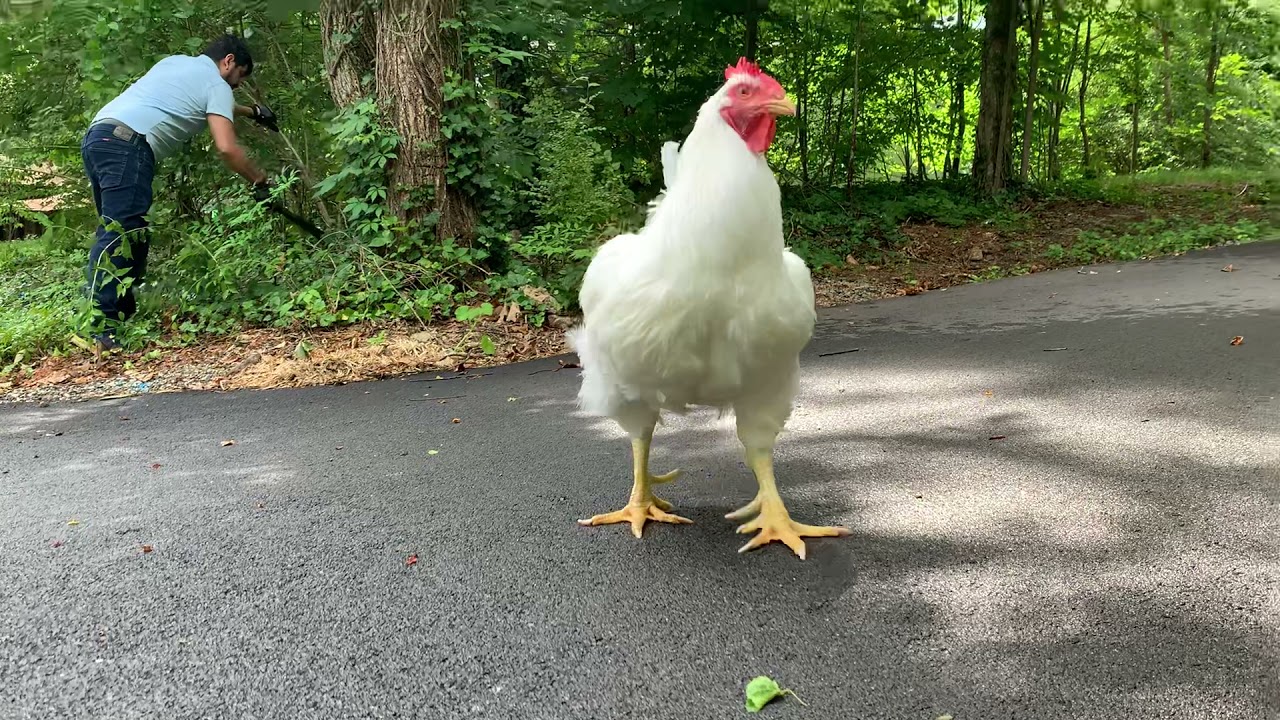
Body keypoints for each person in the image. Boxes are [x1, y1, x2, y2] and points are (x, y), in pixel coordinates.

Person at [81, 34, 277, 351]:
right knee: (121, 235)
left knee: (127, 232)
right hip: (128, 147)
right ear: (228, 61)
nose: (237, 85)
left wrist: (252, 112)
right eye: (240, 76)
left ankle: (117, 321)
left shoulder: (175, 63)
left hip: (99, 136)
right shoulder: (217, 86)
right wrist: (258, 179)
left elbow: (205, 102)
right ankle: (102, 330)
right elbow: (227, 148)